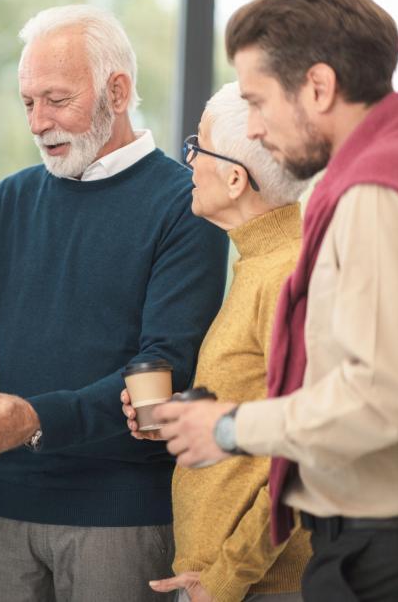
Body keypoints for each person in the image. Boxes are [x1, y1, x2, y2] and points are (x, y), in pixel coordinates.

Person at [0, 5, 228, 602]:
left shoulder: (184, 205)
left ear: (117, 92)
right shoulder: (11, 198)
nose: (38, 122)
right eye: (27, 102)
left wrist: (35, 420)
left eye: (56, 99)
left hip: (121, 514)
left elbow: (166, 366)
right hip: (1, 505)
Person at [155, 0, 398, 602]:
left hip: (373, 547)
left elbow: (379, 395)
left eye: (258, 103)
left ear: (318, 87)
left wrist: (230, 426)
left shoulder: (372, 191)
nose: (255, 131)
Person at [121, 82, 312, 602]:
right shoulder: (258, 264)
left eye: (196, 147)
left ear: (234, 178)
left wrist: (226, 578)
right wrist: (186, 423)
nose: (187, 161)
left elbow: (303, 454)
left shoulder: (284, 278)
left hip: (252, 587)